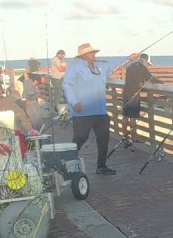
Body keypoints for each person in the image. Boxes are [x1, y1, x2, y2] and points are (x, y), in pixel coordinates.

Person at [62, 42, 129, 175]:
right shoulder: (74, 67)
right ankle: (67, 161)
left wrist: (129, 58)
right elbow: (66, 85)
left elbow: (114, 65)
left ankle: (101, 166)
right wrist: (74, 102)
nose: (94, 54)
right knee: (81, 137)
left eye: (94, 52)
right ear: (83, 55)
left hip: (100, 111)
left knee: (103, 138)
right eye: (91, 53)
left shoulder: (100, 66)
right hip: (82, 111)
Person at [119, 52, 157, 144]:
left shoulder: (130, 67)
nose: (147, 65)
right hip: (134, 94)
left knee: (125, 115)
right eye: (147, 63)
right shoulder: (142, 68)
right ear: (143, 60)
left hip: (126, 93)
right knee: (133, 117)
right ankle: (134, 137)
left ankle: (124, 136)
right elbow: (151, 78)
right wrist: (164, 84)